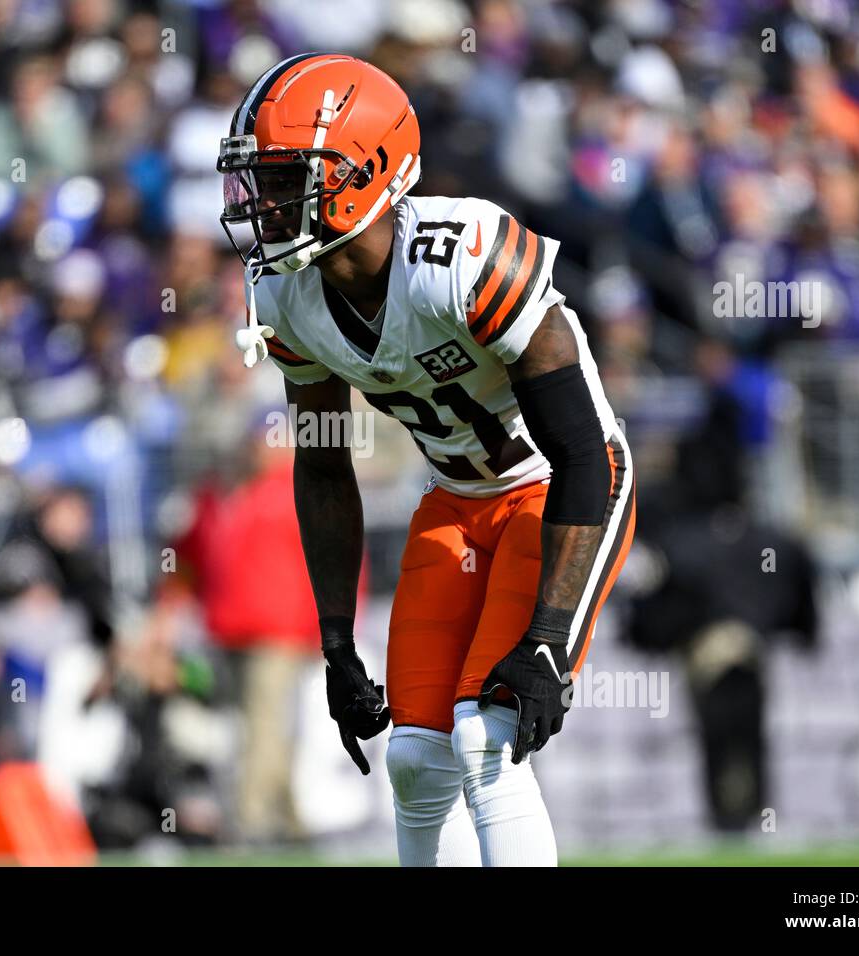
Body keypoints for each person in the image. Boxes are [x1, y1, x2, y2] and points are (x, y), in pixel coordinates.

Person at [217, 54, 636, 866]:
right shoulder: (286, 296)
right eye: (257, 180)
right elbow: (324, 465)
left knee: (487, 740)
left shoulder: (463, 257)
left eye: (284, 177)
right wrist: (336, 641)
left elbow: (586, 451)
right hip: (455, 500)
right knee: (414, 760)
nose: (261, 202)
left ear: (363, 174)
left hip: (557, 489)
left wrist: (550, 631)